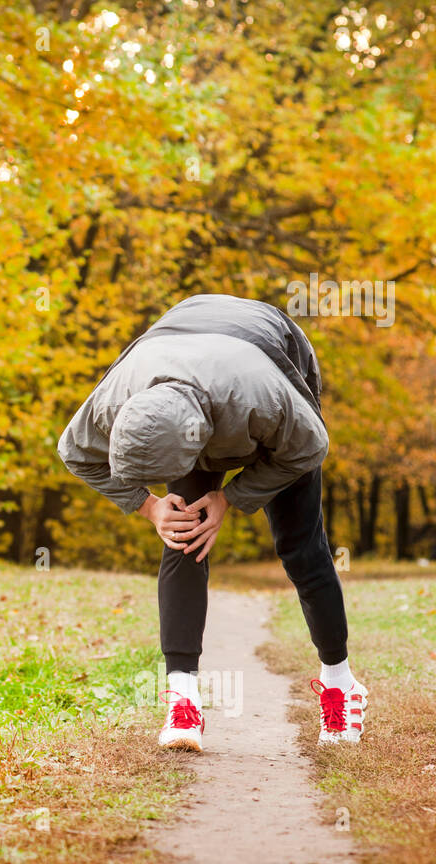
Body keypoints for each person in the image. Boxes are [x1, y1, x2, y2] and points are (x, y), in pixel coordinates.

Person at [57, 293, 366, 751]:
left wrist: (229, 497)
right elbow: (74, 453)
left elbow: (311, 447)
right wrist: (151, 506)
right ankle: (182, 701)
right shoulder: (115, 399)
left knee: (300, 547)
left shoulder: (268, 403)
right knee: (184, 535)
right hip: (177, 364)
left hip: (270, 354)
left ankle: (340, 684)